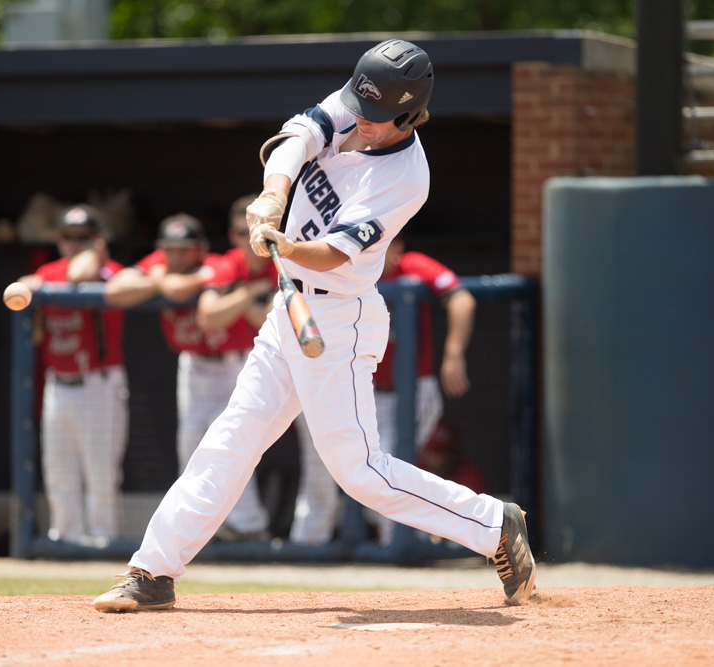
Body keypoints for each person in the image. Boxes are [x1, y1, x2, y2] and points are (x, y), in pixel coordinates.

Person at [93, 39, 535, 612]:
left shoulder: (405, 177)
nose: (362, 120)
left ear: (408, 116)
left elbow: (331, 254)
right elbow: (297, 138)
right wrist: (271, 196)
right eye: (360, 106)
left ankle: (493, 523)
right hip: (291, 310)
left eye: (376, 116)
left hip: (339, 317)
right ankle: (153, 571)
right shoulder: (357, 104)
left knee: (359, 472)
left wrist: (282, 244)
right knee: (233, 437)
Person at [104, 213, 269, 539]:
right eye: (170, 249)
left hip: (233, 363)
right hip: (194, 365)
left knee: (234, 444)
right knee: (191, 445)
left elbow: (178, 290)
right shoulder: (161, 265)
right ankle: (193, 528)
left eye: (184, 249)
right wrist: (158, 279)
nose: (177, 256)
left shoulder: (217, 264)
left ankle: (249, 526)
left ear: (201, 248)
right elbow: (114, 291)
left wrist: (164, 280)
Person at [198, 195, 324, 544]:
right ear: (233, 235)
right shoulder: (228, 265)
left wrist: (238, 302)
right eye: (243, 232)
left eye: (261, 229)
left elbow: (268, 319)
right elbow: (208, 317)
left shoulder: (290, 258)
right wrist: (249, 293)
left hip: (305, 364)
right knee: (232, 444)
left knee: (322, 450)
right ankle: (244, 526)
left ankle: (312, 539)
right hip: (260, 365)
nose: (251, 238)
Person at [16, 204, 128, 544]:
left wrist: (94, 252)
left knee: (100, 476)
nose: (74, 244)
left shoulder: (110, 272)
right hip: (59, 384)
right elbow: (24, 289)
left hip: (98, 383)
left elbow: (82, 275)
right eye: (68, 237)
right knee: (59, 473)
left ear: (97, 241)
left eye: (83, 237)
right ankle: (65, 542)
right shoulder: (49, 271)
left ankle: (103, 543)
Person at [368, 238, 478, 545]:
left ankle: (400, 541)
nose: (374, 251)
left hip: (415, 388)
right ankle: (412, 535)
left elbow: (462, 299)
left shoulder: (413, 265)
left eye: (385, 244)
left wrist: (454, 353)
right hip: (370, 390)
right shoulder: (354, 270)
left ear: (397, 247)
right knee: (374, 467)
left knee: (389, 461)